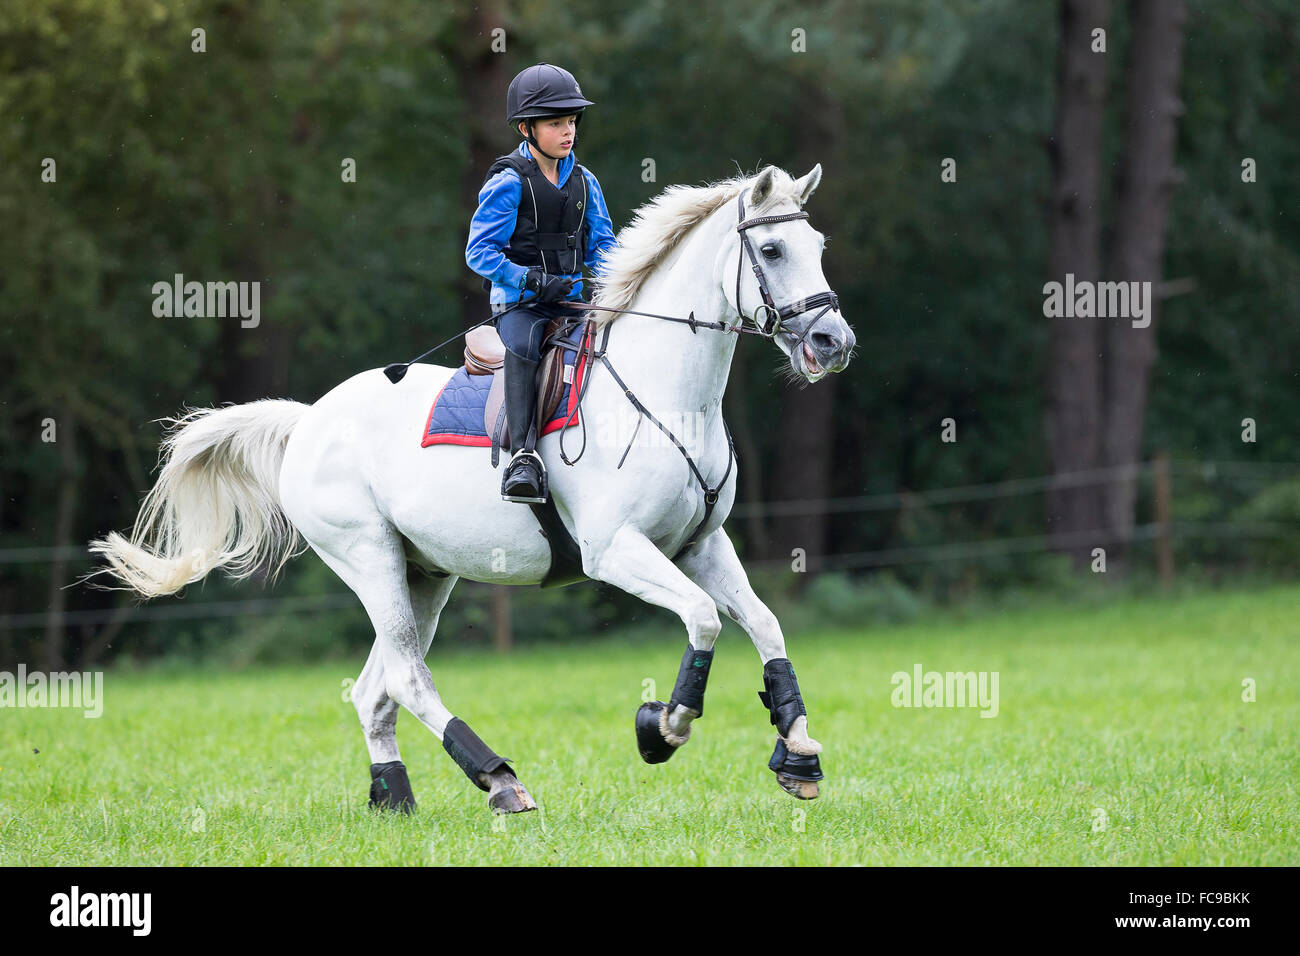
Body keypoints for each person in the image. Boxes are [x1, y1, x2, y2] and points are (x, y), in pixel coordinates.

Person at [465, 62, 617, 503]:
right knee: (526, 348)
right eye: (556, 123)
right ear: (527, 128)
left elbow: (602, 244)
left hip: (572, 304)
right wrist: (530, 280)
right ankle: (523, 458)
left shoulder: (586, 181)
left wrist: (623, 281)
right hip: (521, 307)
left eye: (571, 121)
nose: (568, 131)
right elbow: (479, 253)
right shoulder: (508, 182)